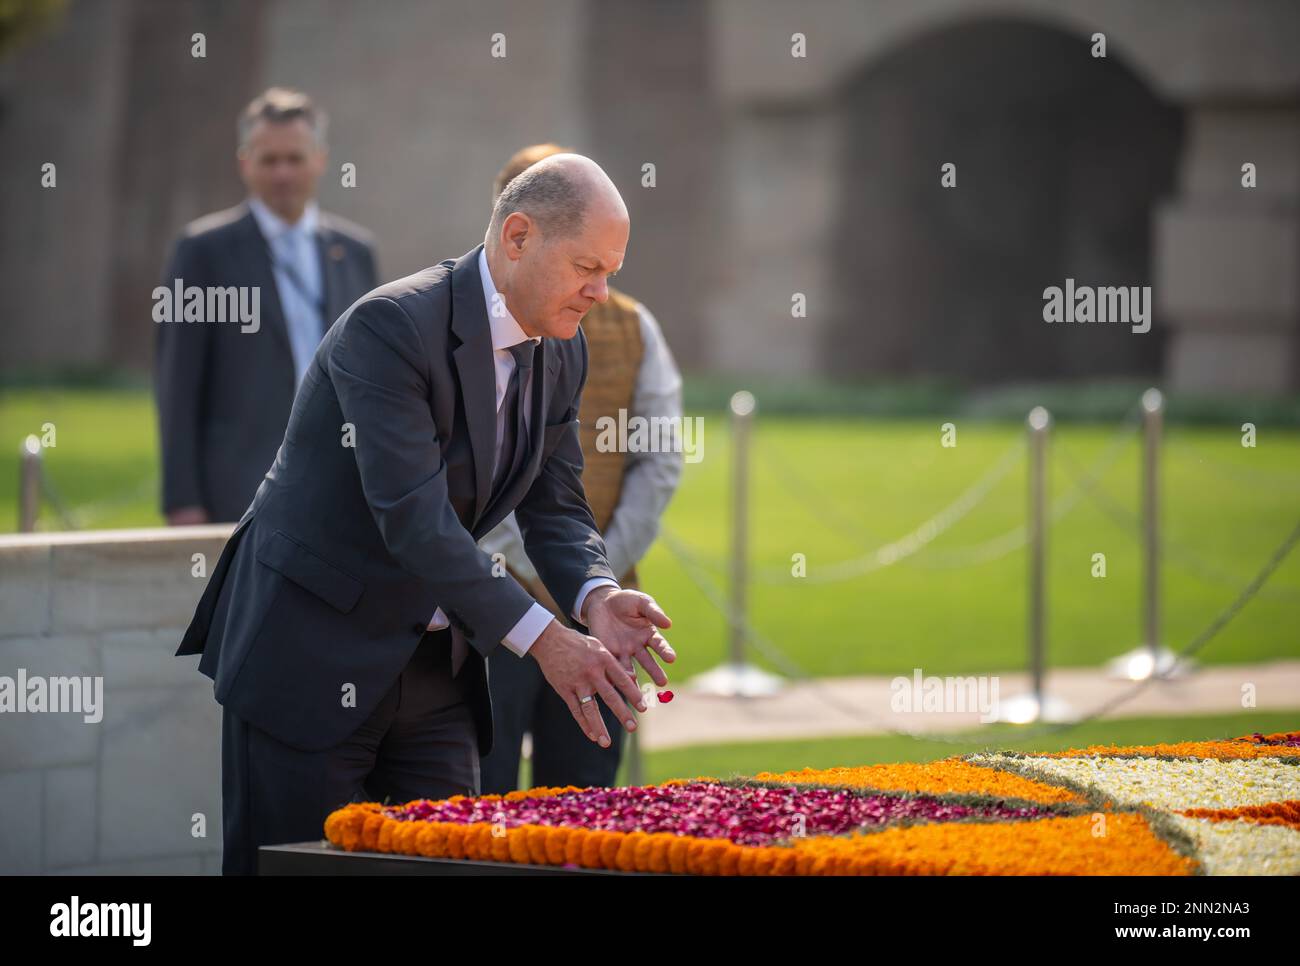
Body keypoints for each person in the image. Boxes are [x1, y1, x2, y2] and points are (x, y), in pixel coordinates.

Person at [174, 153, 676, 875]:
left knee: (448, 864)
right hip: (309, 658)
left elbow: (557, 507)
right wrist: (544, 640)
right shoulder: (390, 327)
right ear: (518, 236)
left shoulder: (563, 351)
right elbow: (413, 517)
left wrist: (596, 596)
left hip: (439, 672)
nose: (601, 292)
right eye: (587, 268)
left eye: (611, 273)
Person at [477, 144, 683, 793]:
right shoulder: (453, 327)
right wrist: (539, 577)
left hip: (597, 591)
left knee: (585, 797)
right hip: (490, 594)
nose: (592, 286)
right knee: (483, 792)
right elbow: (463, 487)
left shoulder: (630, 327)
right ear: (516, 234)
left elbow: (659, 459)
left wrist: (595, 574)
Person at [154, 87, 378, 525]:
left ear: (320, 160)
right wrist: (183, 499)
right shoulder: (202, 251)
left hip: (341, 485)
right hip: (236, 490)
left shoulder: (355, 252)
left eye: (294, 159)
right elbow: (177, 382)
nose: (282, 174)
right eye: (268, 160)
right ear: (244, 162)